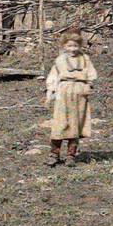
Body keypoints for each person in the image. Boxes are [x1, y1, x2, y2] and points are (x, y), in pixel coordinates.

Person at [46, 30, 97, 167]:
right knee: (60, 124)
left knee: (76, 124)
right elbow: (53, 77)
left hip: (79, 93)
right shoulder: (60, 60)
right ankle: (54, 154)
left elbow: (91, 75)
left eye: (75, 46)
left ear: (79, 46)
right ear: (64, 46)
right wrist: (51, 91)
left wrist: (89, 85)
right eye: (69, 46)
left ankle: (70, 155)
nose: (72, 49)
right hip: (64, 92)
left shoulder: (85, 59)